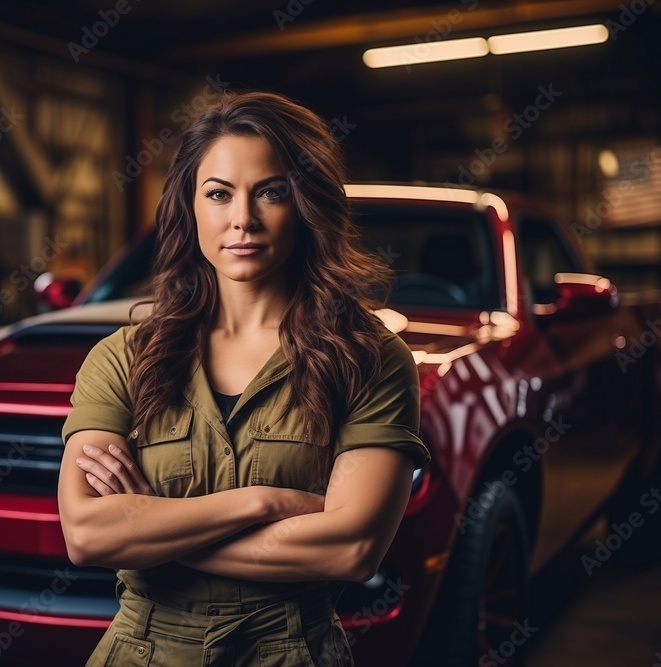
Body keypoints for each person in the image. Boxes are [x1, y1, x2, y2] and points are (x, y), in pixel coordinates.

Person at [57, 90, 430, 666]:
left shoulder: (369, 359)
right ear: (191, 205)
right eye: (219, 194)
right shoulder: (123, 358)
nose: (243, 220)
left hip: (292, 650)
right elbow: (86, 534)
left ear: (304, 204)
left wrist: (149, 532)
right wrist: (261, 502)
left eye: (272, 192)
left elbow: (352, 547)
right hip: (142, 650)